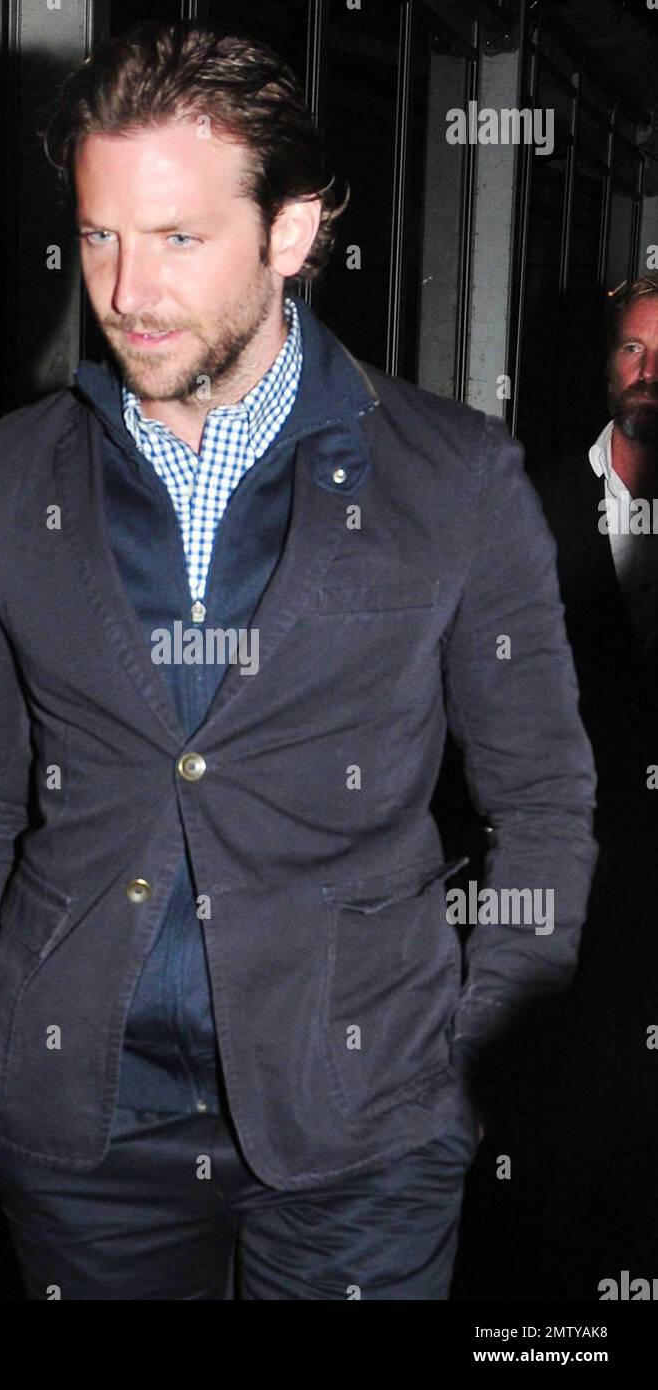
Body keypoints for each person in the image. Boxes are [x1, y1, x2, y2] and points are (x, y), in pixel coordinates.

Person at [0, 21, 597, 1300]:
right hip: (76, 1121)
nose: (125, 290)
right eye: (102, 234)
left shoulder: (454, 479)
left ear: (290, 233)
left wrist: (481, 1064)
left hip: (365, 1123)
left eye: (179, 238)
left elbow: (544, 802)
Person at [527, 274, 658, 1278]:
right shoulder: (534, 505)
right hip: (568, 862)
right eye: (630, 349)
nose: (645, 372)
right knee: (566, 1107)